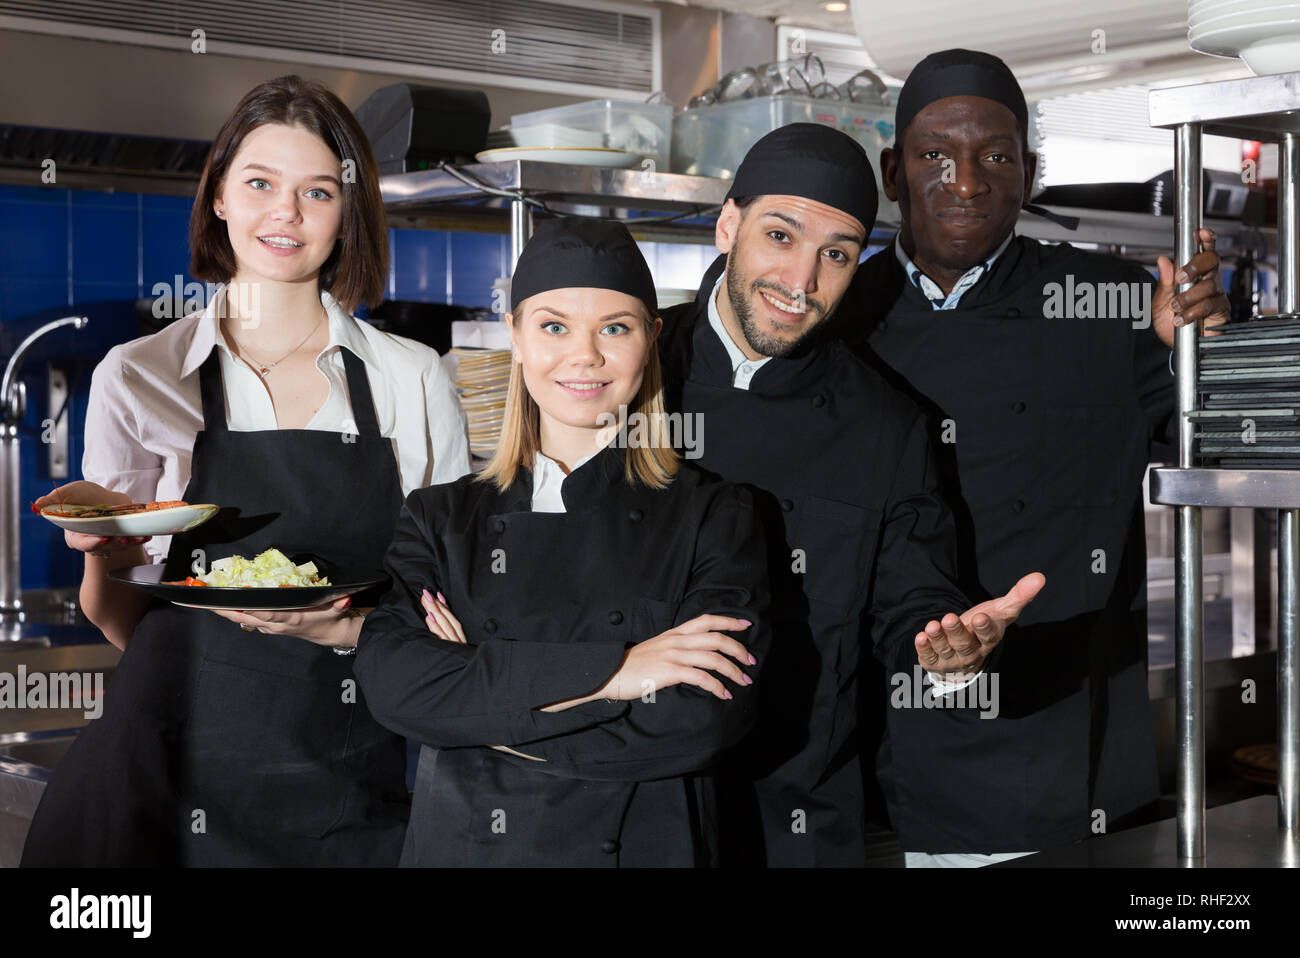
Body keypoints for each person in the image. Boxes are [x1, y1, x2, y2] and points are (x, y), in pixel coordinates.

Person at [21, 75, 470, 867]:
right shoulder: (141, 373)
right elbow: (113, 610)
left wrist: (341, 630)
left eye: (318, 191)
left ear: (347, 213)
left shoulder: (412, 378)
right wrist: (109, 557)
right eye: (259, 183)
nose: (285, 213)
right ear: (220, 196)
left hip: (346, 781)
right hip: (161, 772)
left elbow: (442, 608)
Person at [834, 48, 1231, 866]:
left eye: (998, 155)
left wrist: (1199, 355)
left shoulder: (1115, 308)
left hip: (1067, 745)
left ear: (1030, 173)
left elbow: (1213, 442)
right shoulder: (838, 319)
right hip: (877, 749)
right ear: (892, 171)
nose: (968, 180)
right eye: (935, 154)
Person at [655, 123, 1045, 867]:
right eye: (779, 235)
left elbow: (914, 607)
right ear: (728, 225)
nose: (801, 282)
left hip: (797, 814)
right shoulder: (631, 372)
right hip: (631, 806)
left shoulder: (887, 426)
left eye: (835, 254)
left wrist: (946, 657)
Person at [350, 218, 771, 867]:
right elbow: (393, 687)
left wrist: (481, 699)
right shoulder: (441, 517)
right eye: (553, 326)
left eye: (615, 327)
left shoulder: (716, 514)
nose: (585, 356)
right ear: (515, 334)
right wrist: (623, 671)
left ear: (651, 339)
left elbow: (702, 719)